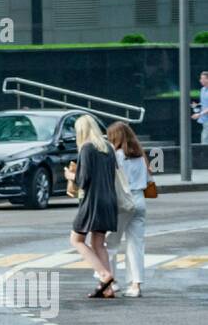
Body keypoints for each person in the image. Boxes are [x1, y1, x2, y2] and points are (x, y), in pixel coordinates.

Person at [64, 114, 118, 299]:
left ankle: (104, 275)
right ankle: (108, 288)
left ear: (81, 131)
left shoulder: (86, 148)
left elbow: (83, 180)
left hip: (92, 201)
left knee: (76, 240)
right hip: (109, 200)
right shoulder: (108, 147)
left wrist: (70, 176)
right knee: (98, 243)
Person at [106, 121, 150, 299]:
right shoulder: (140, 156)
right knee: (136, 244)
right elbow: (148, 179)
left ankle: (111, 281)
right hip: (139, 201)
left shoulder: (116, 156)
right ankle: (136, 285)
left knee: (110, 243)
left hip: (122, 201)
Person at [194, 70, 208, 144]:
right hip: (204, 120)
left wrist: (199, 114)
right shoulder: (202, 90)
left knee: (204, 140)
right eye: (200, 79)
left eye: (202, 79)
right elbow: (204, 102)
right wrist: (197, 105)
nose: (200, 80)